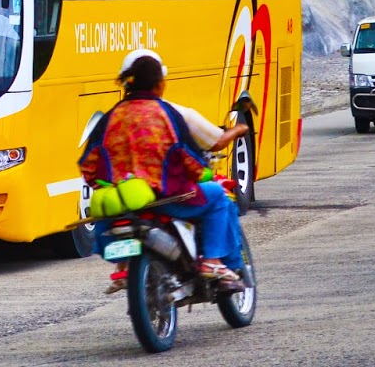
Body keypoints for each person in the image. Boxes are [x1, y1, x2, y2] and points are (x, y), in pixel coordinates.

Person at [80, 49, 249, 287]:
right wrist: (204, 173)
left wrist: (109, 184)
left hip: (125, 202)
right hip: (169, 197)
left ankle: (124, 265)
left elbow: (88, 164)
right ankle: (212, 260)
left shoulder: (110, 118)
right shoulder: (167, 114)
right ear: (159, 84)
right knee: (219, 198)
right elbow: (187, 158)